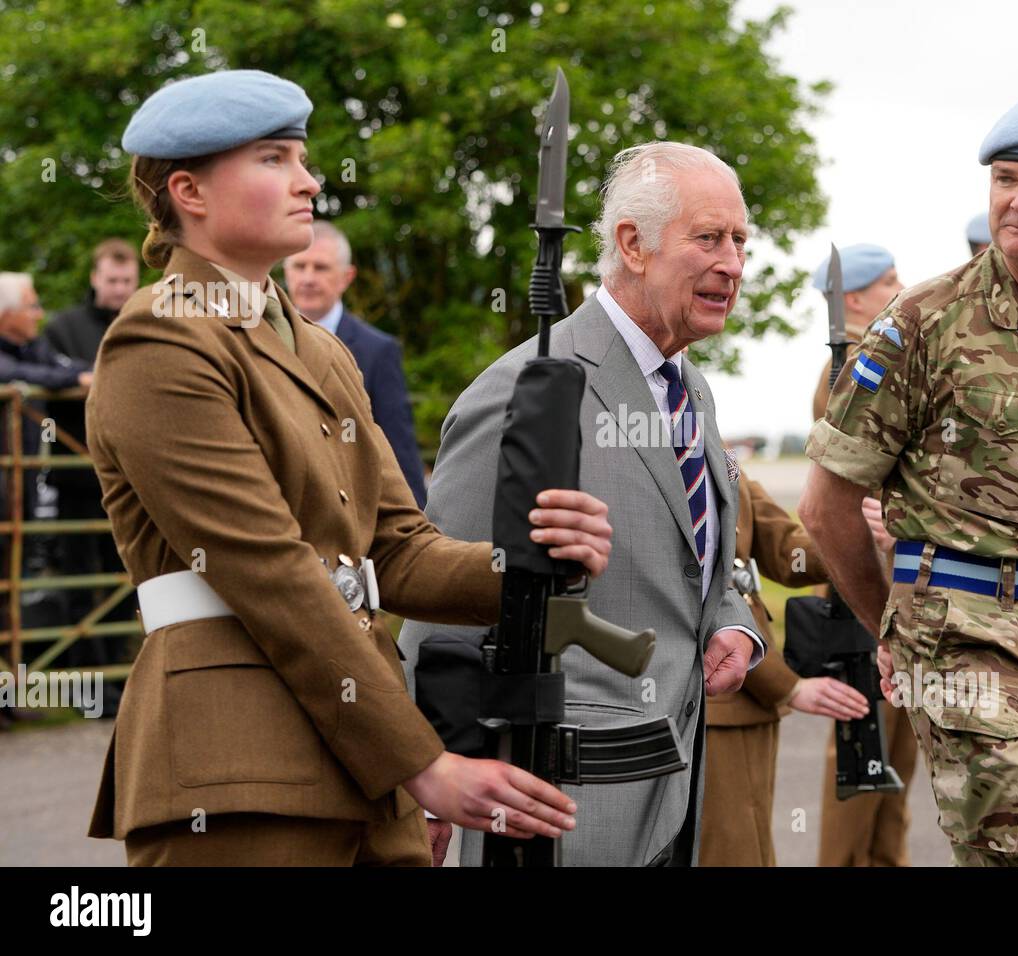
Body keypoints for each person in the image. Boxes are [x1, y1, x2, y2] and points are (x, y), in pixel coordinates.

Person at [85, 69, 613, 866]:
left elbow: (397, 550)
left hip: (362, 766)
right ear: (189, 192)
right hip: (237, 772)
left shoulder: (321, 348)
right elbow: (268, 569)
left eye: (302, 157)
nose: (309, 181)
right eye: (274, 159)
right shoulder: (161, 338)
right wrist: (423, 761)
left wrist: (530, 563)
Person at [801, 93, 1018, 866]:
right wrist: (891, 627)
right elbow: (826, 507)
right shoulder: (922, 323)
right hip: (961, 635)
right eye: (1005, 179)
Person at [401, 141, 765, 867]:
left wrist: (733, 625)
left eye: (740, 241)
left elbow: (696, 561)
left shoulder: (690, 389)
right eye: (708, 238)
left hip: (676, 787)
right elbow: (438, 597)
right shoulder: (528, 388)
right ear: (632, 244)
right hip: (559, 806)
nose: (732, 263)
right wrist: (427, 778)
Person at [808, 244, 918, 867]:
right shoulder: (849, 364)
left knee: (895, 760)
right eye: (890, 282)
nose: (902, 290)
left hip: (896, 582)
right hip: (866, 588)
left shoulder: (884, 355)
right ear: (852, 299)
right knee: (861, 757)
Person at [699, 469, 868, 867]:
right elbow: (699, 590)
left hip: (747, 707)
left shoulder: (709, 444)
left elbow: (789, 552)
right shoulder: (666, 447)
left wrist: (860, 538)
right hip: (720, 703)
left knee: (754, 845)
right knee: (733, 853)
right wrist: (786, 685)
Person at [42, 239, 142, 711]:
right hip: (78, 478)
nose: (119, 288)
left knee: (129, 578)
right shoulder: (63, 327)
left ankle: (119, 675)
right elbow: (51, 372)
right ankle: (92, 686)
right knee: (81, 580)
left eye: (126, 280)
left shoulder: (145, 320)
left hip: (131, 477)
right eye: (111, 280)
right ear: (95, 278)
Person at [0, 272, 93, 729]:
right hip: (7, 493)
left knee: (10, 593)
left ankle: (7, 697)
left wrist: (71, 373)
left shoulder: (30, 348)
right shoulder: (11, 358)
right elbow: (24, 374)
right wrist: (73, 375)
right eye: (32, 307)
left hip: (15, 497)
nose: (40, 315)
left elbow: (55, 367)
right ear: (6, 316)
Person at [284, 222, 428, 507]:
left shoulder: (378, 351)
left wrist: (420, 525)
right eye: (300, 266)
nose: (308, 278)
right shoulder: (258, 337)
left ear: (346, 277)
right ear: (286, 271)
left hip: (354, 515)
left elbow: (398, 447)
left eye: (321, 268)